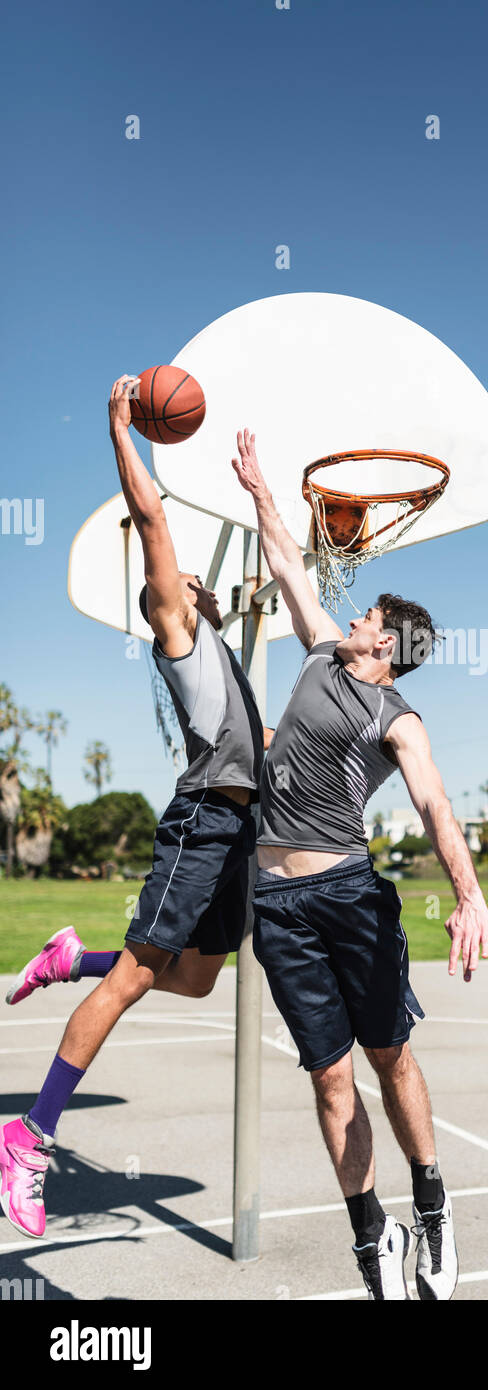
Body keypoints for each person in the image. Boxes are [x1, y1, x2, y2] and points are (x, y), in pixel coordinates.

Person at [0, 378, 267, 1240]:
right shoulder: (175, 628)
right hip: (205, 822)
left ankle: (73, 956)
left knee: (191, 977)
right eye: (177, 581)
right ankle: (30, 1136)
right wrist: (123, 431)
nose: (184, 577)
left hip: (241, 834)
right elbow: (153, 520)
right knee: (135, 982)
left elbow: (219, 599)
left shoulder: (212, 637)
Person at [232, 429, 488, 1301]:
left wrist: (467, 892)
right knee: (328, 1074)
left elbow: (434, 805)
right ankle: (368, 1236)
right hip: (277, 902)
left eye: (367, 621)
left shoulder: (398, 716)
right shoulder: (316, 653)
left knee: (391, 1060)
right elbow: (291, 564)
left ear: (385, 648)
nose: (351, 619)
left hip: (347, 894)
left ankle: (432, 1205)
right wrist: (264, 491)